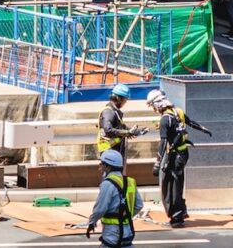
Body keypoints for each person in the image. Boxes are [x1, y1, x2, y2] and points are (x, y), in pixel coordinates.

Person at [150, 87, 210, 226]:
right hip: (183, 153)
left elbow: (163, 141)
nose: (154, 109)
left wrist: (158, 162)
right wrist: (203, 129)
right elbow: (190, 122)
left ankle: (176, 218)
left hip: (174, 156)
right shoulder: (178, 112)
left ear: (158, 104)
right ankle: (181, 211)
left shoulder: (165, 119)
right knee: (178, 183)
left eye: (153, 106)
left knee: (171, 185)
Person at [84, 149, 140, 246]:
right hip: (128, 232)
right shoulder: (130, 181)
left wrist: (92, 222)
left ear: (107, 166)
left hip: (112, 234)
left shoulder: (107, 184)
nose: (99, 167)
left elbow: (100, 210)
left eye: (101, 164)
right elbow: (139, 205)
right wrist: (125, 217)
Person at [98, 83, 147, 160]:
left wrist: (136, 131)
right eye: (125, 100)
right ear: (118, 98)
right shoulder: (109, 112)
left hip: (114, 151)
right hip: (109, 152)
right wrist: (127, 133)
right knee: (114, 172)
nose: (125, 102)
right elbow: (108, 130)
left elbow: (121, 127)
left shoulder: (115, 111)